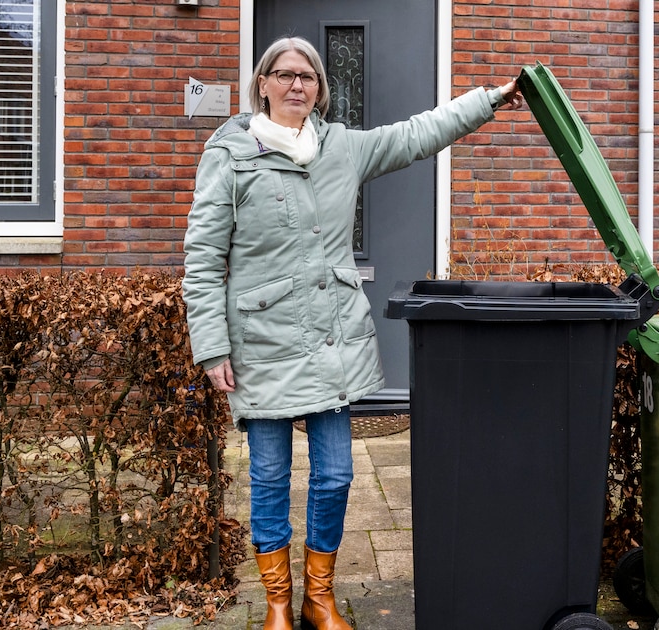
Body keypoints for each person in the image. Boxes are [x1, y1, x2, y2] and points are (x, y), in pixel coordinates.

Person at [182, 36, 522, 630]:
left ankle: (319, 595)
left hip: (331, 339)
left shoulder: (341, 148)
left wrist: (488, 100)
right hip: (261, 340)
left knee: (336, 474)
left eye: (308, 76)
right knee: (267, 476)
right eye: (285, 75)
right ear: (263, 84)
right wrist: (211, 346)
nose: (296, 85)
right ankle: (278, 605)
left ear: (320, 89)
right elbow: (204, 257)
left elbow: (418, 134)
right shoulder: (230, 155)